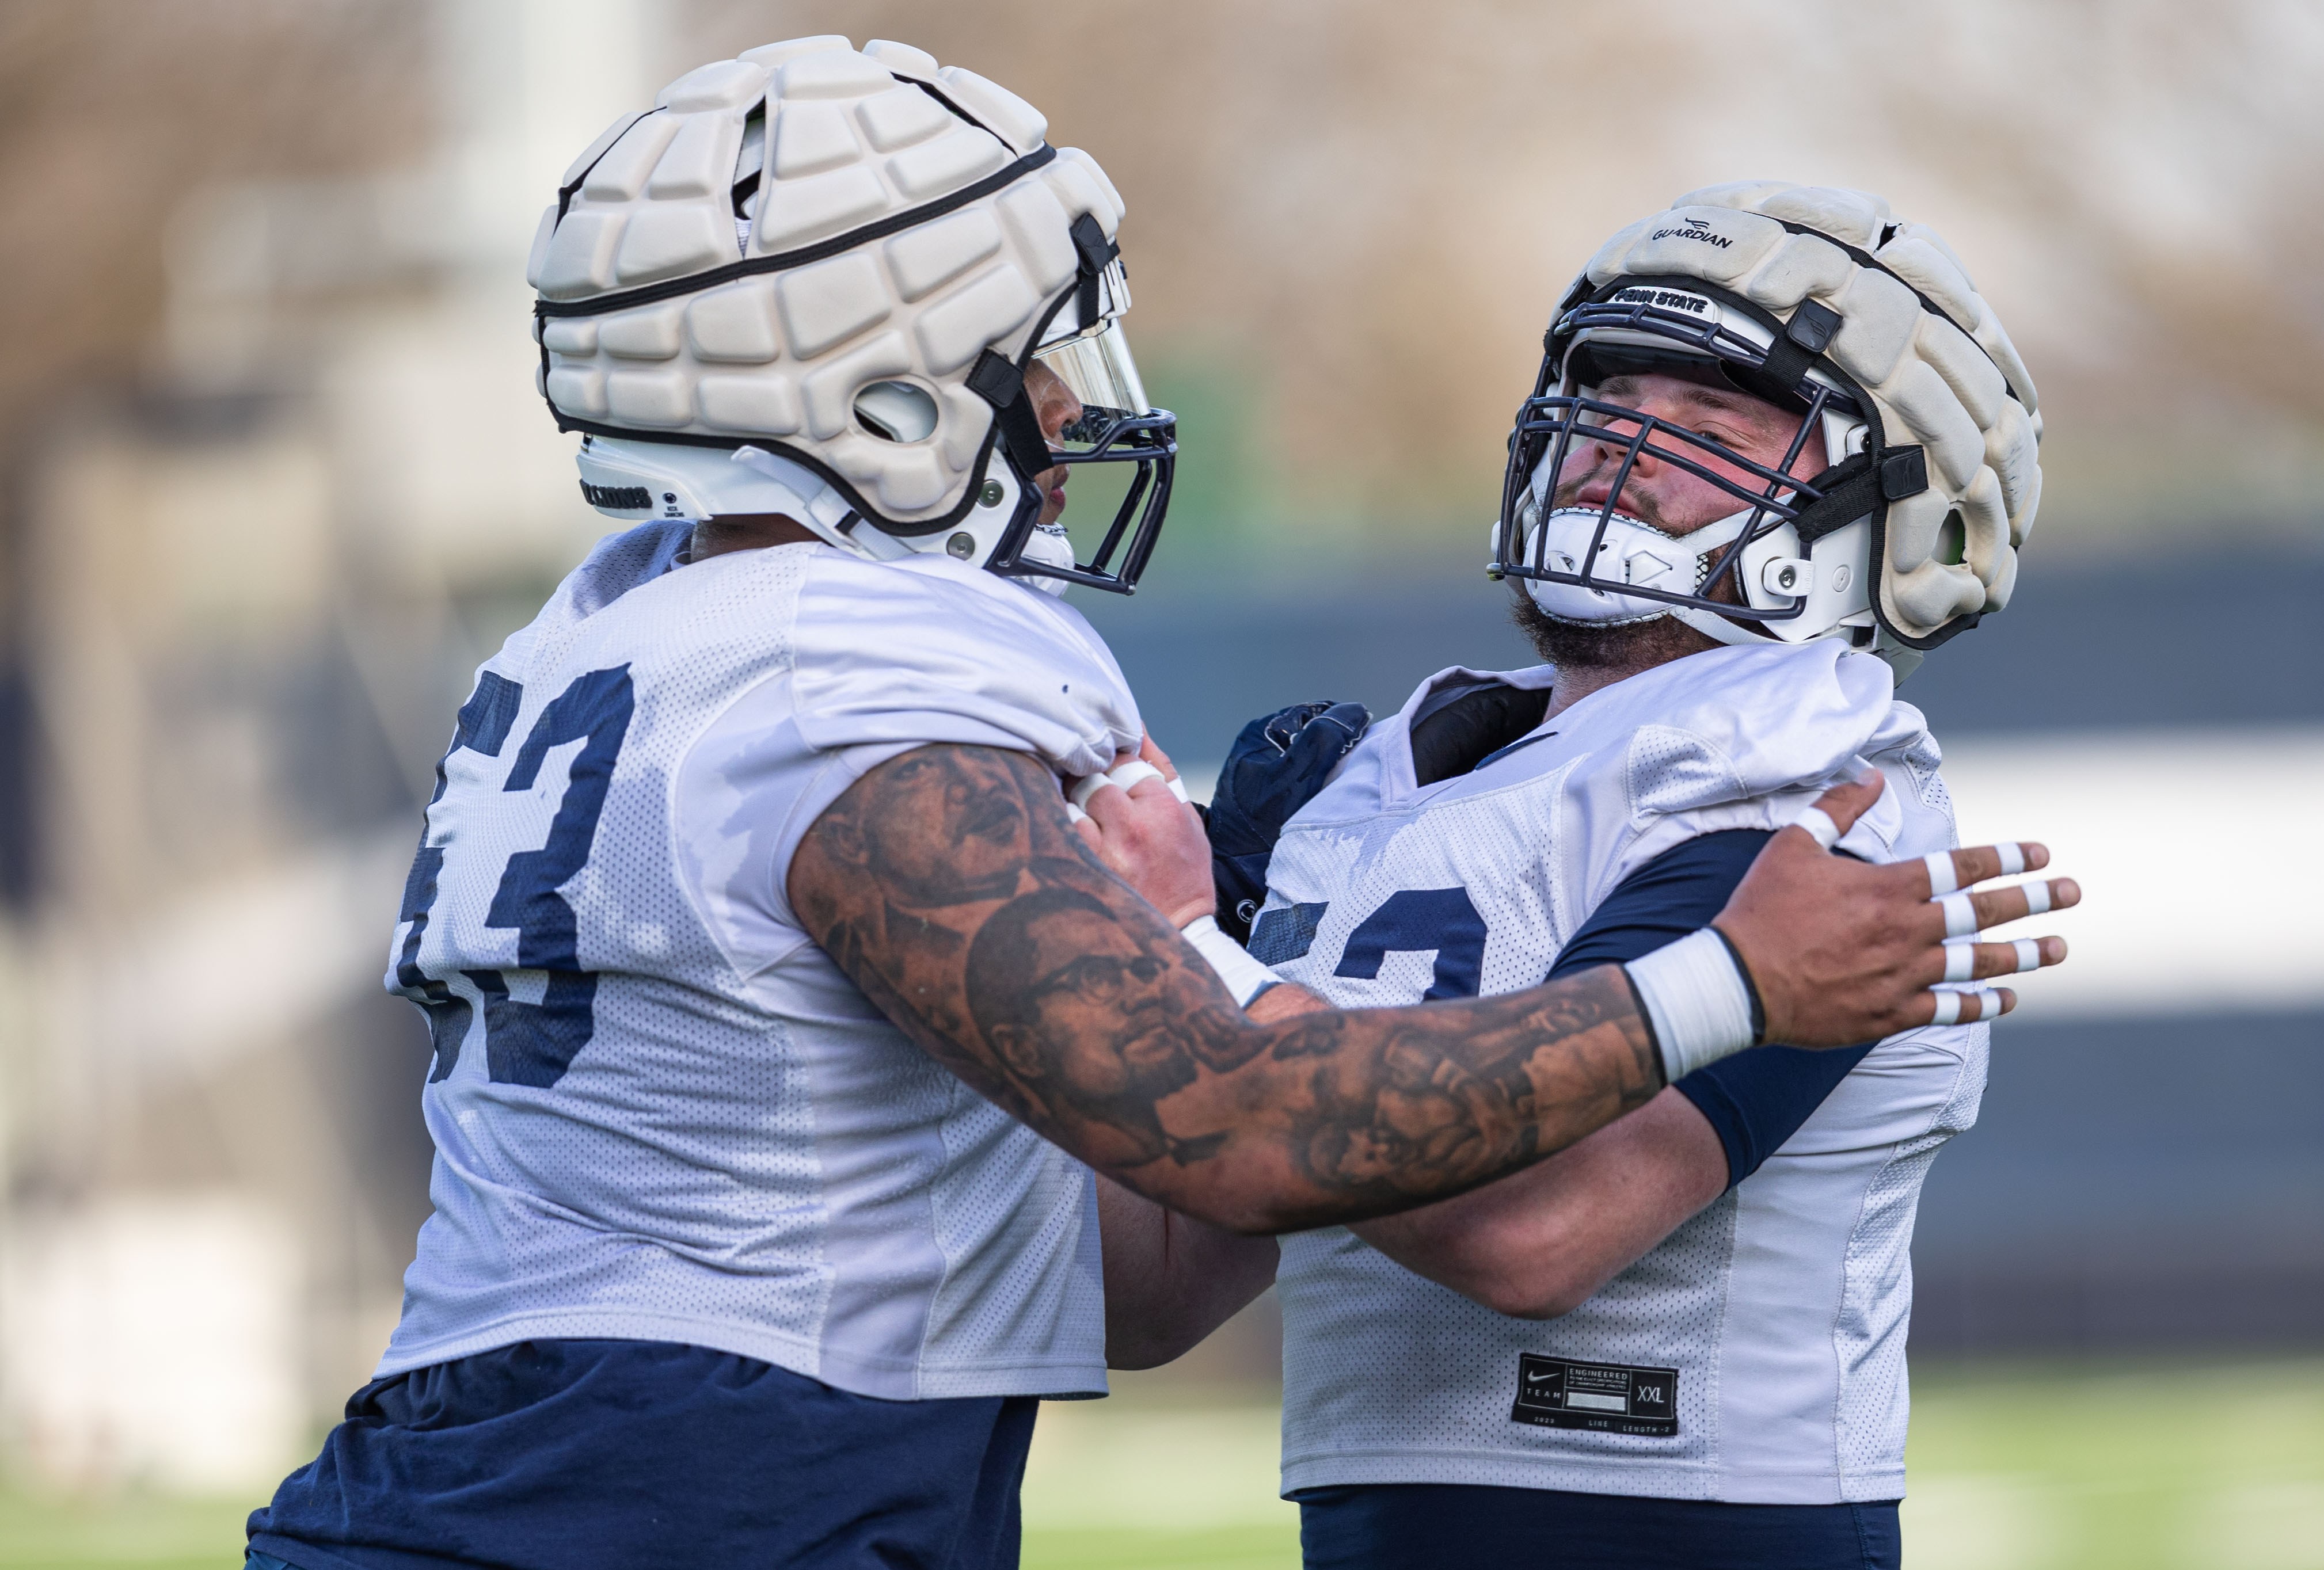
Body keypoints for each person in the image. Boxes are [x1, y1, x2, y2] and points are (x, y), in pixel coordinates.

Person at [242, 35, 2064, 1568]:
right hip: (716, 1472)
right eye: (1026, 347)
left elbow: (1201, 1234)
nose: (1062, 398)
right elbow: (1238, 1143)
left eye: (1715, 411)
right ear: (866, 392)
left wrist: (1213, 969)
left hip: (549, 1433)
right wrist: (1699, 987)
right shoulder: (886, 664)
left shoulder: (605, 630)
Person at [1094, 182, 2061, 1569]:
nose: (1617, 447)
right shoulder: (1368, 779)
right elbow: (1156, 1293)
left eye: (1708, 425)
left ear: (1888, 518)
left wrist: (1184, 941)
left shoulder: (1800, 792)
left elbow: (1532, 1232)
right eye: (1605, 396)